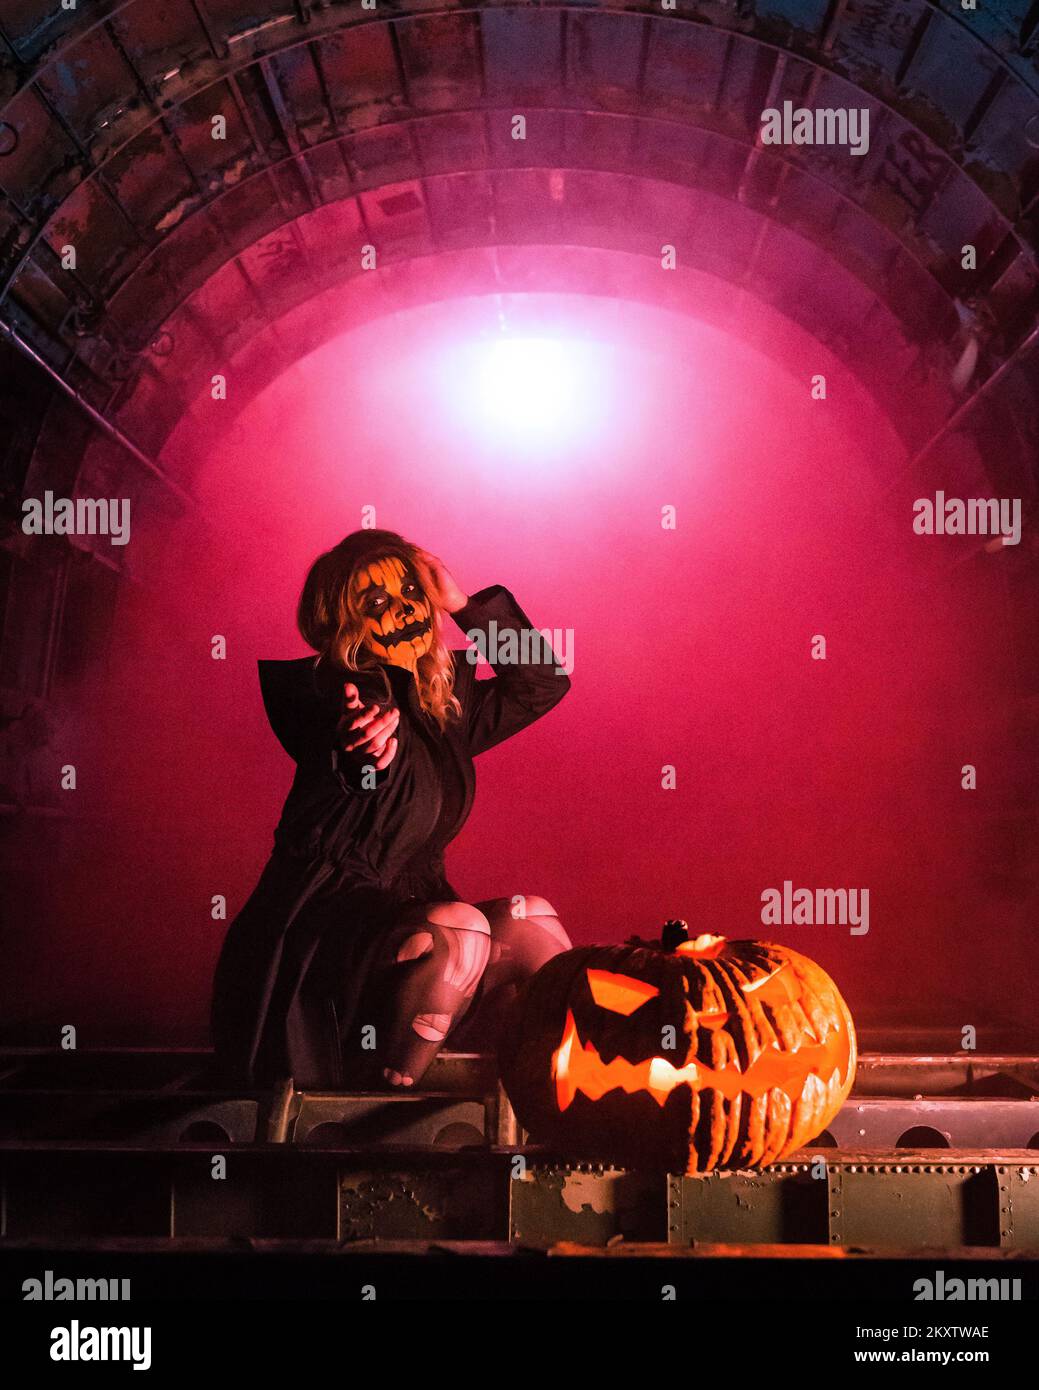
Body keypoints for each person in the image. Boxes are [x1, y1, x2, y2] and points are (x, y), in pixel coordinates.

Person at [210, 529, 572, 1091]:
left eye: (411, 590)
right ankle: (369, 1125)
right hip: (320, 939)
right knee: (463, 930)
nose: (405, 607)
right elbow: (348, 740)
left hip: (407, 926)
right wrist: (364, 747)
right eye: (376, 603)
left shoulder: (440, 704)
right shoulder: (333, 694)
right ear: (343, 625)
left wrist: (462, 606)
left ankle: (555, 1098)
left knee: (534, 921)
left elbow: (542, 683)